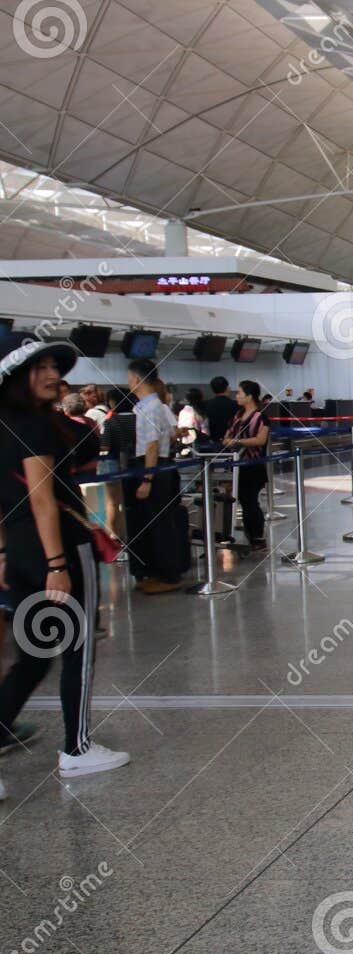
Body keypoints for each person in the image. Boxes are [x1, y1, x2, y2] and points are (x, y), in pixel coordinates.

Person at [0, 332, 129, 786]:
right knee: (77, 650)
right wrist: (57, 564)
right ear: (17, 376)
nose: (53, 375)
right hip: (59, 549)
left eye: (55, 366)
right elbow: (41, 499)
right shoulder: (33, 425)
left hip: (18, 551)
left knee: (33, 654)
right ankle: (76, 748)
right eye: (40, 368)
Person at [124, 359, 186, 594]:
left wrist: (147, 480)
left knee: (159, 525)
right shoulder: (153, 406)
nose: (128, 381)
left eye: (129, 377)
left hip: (153, 468)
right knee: (158, 523)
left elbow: (151, 446)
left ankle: (169, 577)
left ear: (138, 379)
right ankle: (163, 572)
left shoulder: (149, 409)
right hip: (158, 467)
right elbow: (169, 436)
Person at [222, 379, 271, 553]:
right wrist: (231, 442)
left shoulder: (260, 417)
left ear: (250, 396)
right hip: (237, 466)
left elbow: (260, 440)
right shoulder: (236, 416)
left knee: (250, 501)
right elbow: (226, 437)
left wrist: (238, 442)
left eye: (240, 393)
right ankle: (251, 536)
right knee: (242, 500)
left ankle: (258, 537)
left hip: (253, 467)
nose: (237, 396)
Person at [200, 375, 236, 453]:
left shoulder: (207, 404)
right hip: (230, 442)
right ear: (227, 388)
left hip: (212, 443)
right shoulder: (234, 404)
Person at [176, 387, 206, 453]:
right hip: (194, 444)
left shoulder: (185, 411)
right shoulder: (201, 412)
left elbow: (183, 430)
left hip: (189, 444)